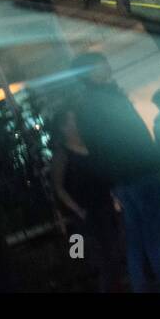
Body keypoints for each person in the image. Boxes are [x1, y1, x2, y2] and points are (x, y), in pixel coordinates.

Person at [73, 57, 160, 292]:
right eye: (100, 64)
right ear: (90, 72)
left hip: (123, 178)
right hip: (140, 171)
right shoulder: (109, 98)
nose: (106, 67)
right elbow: (135, 135)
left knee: (137, 237)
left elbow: (97, 148)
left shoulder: (86, 107)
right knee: (154, 234)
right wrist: (154, 161)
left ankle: (142, 284)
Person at [49, 108, 118, 292]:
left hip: (103, 204)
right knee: (97, 257)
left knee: (112, 252)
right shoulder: (62, 154)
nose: (76, 123)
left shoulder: (88, 145)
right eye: (72, 120)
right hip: (84, 213)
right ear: (64, 127)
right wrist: (77, 209)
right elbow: (58, 187)